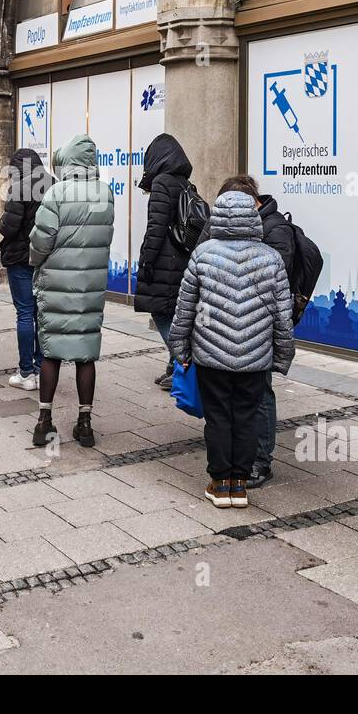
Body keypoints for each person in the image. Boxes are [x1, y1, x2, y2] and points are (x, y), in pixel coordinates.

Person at [168, 186, 295, 510]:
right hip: (255, 358)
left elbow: (185, 309)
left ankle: (219, 482)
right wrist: (282, 357)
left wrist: (180, 351)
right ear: (253, 218)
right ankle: (240, 485)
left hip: (213, 356)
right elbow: (283, 316)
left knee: (219, 418)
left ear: (219, 217)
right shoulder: (271, 259)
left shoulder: (203, 254)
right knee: (247, 418)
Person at [202, 174, 297, 489]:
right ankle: (236, 461)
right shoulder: (225, 226)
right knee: (235, 402)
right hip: (223, 329)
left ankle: (260, 460)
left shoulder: (276, 231)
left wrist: (282, 351)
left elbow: (277, 294)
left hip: (257, 331)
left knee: (260, 397)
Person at [27, 134, 115, 447]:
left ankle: (44, 421)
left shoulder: (57, 193)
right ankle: (85, 423)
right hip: (90, 287)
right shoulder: (106, 194)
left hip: (57, 284)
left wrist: (35, 261)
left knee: (51, 352)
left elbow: (41, 240)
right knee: (85, 355)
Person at [134, 134, 195, 390]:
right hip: (180, 259)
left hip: (164, 261)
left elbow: (156, 227)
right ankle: (174, 366)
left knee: (161, 313)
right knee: (172, 312)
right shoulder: (185, 183)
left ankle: (183, 363)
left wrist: (146, 261)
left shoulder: (162, 182)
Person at [0, 149, 46, 389]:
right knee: (41, 314)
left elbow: (9, 227)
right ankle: (40, 367)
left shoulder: (19, 188)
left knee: (25, 313)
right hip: (44, 259)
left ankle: (26, 373)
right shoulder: (53, 185)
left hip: (20, 258)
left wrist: (1, 220)